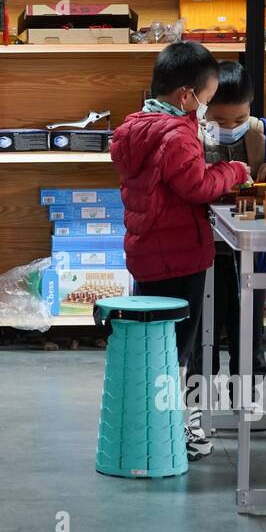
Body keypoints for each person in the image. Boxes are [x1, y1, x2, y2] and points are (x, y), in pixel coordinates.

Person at [110, 41, 250, 461]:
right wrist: (234, 170)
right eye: (206, 100)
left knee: (153, 342)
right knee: (178, 350)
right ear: (186, 95)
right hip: (181, 256)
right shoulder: (177, 135)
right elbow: (197, 187)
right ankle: (177, 429)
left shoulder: (137, 126)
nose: (205, 110)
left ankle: (148, 423)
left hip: (147, 254)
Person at [187, 61, 266, 387]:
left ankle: (248, 398)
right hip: (203, 249)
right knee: (202, 330)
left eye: (238, 118)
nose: (230, 125)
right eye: (219, 119)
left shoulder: (259, 131)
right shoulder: (190, 135)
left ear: (250, 108)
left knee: (248, 327)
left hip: (247, 252)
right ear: (203, 107)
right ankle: (200, 401)